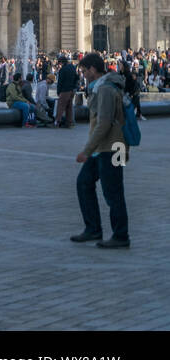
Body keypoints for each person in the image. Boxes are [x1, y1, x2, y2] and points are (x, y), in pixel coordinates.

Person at [71, 52, 130, 249]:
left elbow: (103, 123)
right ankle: (93, 228)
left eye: (84, 70)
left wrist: (86, 150)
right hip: (105, 148)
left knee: (113, 192)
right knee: (84, 183)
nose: (83, 74)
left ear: (93, 69)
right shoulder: (102, 86)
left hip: (112, 147)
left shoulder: (105, 88)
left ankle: (121, 236)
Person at [54, 52, 78, 128]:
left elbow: (60, 82)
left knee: (60, 106)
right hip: (72, 90)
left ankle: (57, 123)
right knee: (69, 107)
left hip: (64, 90)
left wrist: (58, 92)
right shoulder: (72, 67)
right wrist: (74, 87)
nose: (58, 65)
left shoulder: (62, 70)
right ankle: (69, 123)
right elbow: (77, 78)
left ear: (61, 62)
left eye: (59, 63)